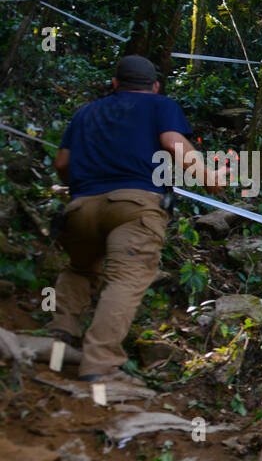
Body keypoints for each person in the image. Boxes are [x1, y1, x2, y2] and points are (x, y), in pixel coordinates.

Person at [51, 55, 225, 385]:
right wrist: (207, 176)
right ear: (155, 86)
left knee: (79, 268)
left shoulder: (86, 112)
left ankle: (61, 334)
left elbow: (62, 162)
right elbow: (173, 142)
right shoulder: (160, 106)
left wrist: (89, 181)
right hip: (135, 206)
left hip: (81, 206)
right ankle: (98, 363)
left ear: (115, 83)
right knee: (125, 280)